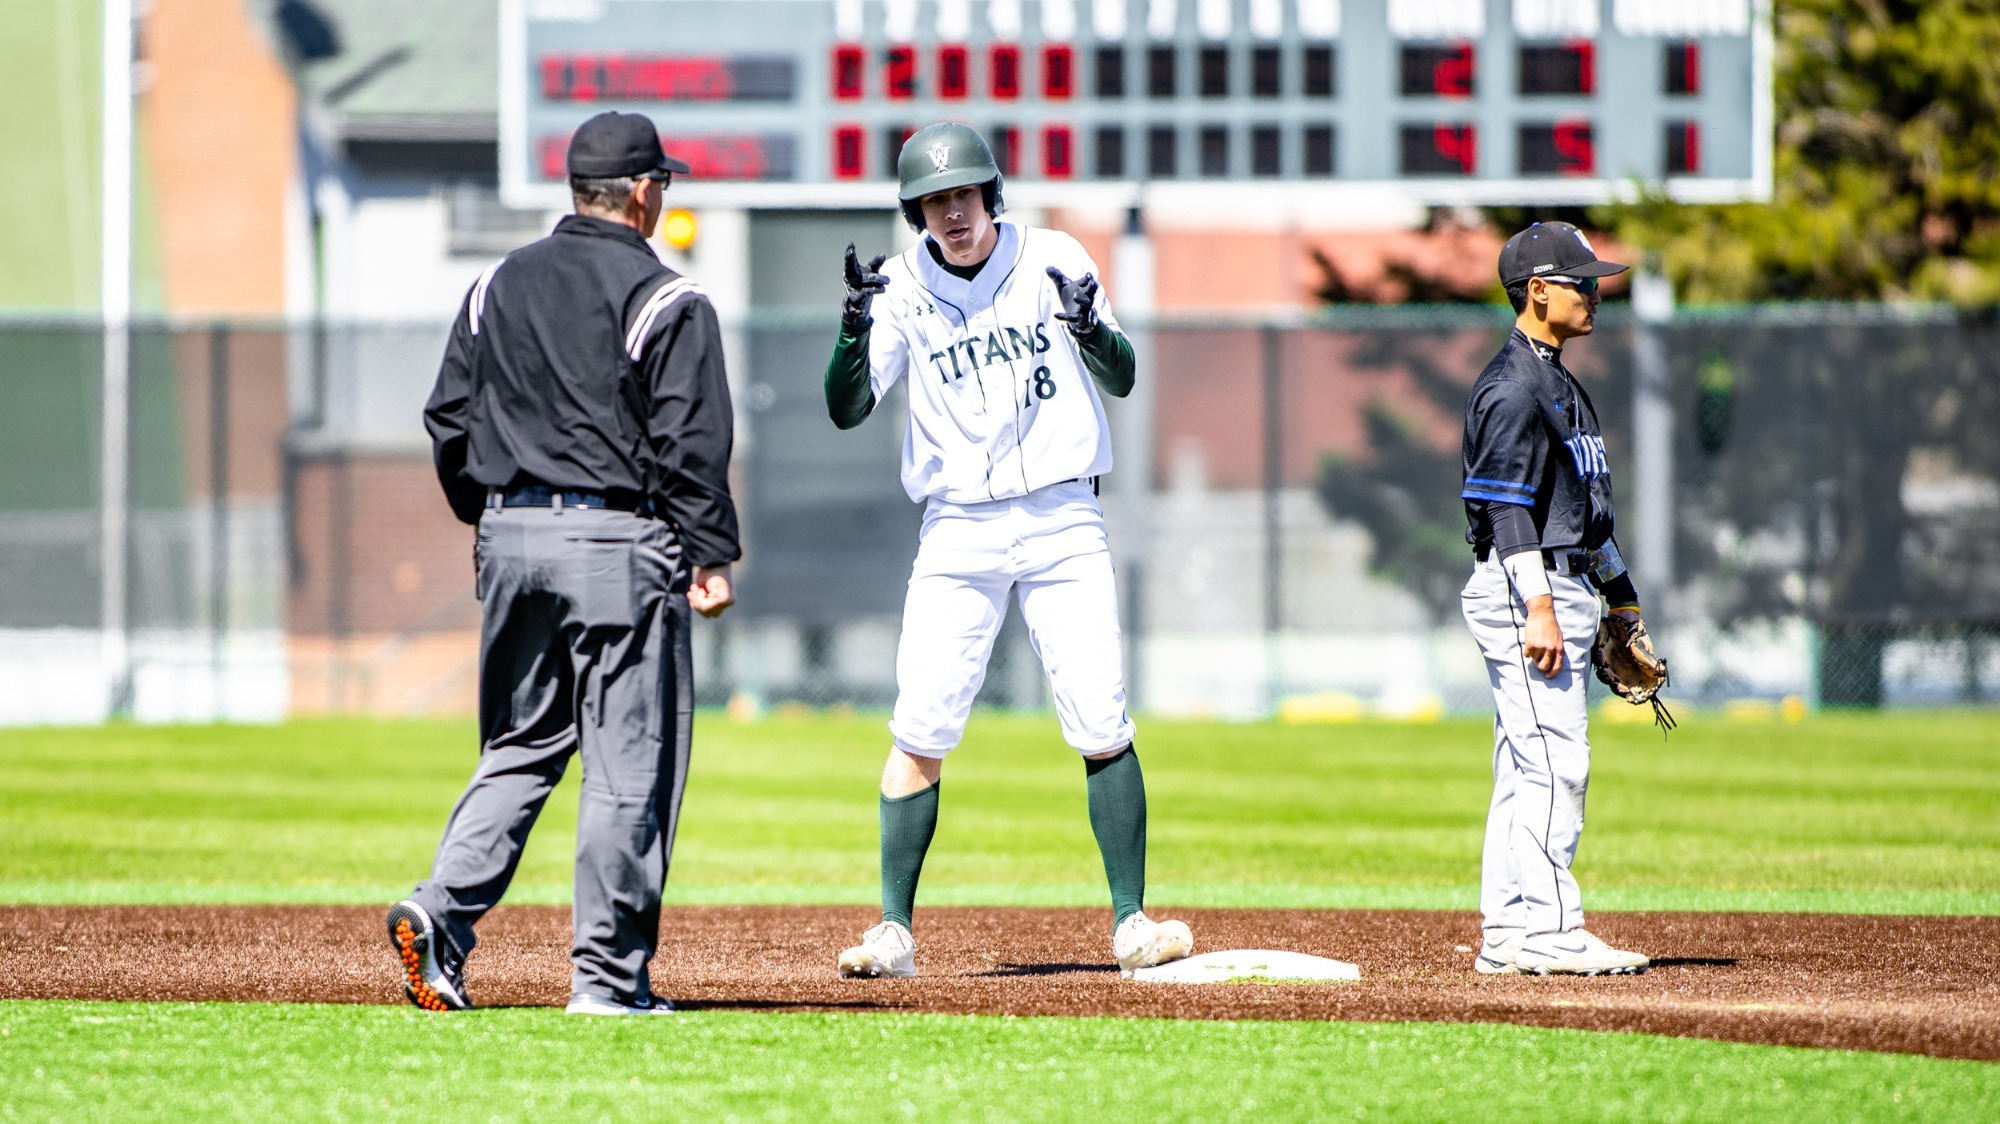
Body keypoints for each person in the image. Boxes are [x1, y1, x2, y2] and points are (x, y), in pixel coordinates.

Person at [388, 110, 740, 1015]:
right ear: (643, 192)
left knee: (520, 745)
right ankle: (609, 981)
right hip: (617, 546)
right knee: (628, 763)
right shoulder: (666, 298)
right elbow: (690, 442)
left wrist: (493, 516)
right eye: (663, 181)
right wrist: (709, 552)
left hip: (510, 541)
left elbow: (448, 420)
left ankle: (441, 910)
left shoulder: (494, 285)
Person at [822, 122, 1193, 978]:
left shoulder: (1054, 256)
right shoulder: (898, 285)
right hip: (957, 525)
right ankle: (893, 932)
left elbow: (1123, 375)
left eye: (963, 194)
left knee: (1100, 717)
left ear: (990, 194)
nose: (952, 213)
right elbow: (847, 409)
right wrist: (851, 331)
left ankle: (1131, 922)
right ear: (915, 212)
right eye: (933, 201)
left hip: (1063, 515)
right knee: (920, 723)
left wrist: (1092, 330)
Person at [1459, 222, 1651, 976]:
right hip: (1527, 588)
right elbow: (1506, 509)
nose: (1596, 293)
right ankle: (1552, 930)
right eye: (1583, 282)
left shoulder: (1556, 380)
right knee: (1556, 763)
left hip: (1557, 580)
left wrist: (1621, 597)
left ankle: (1509, 931)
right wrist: (1538, 604)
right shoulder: (1513, 387)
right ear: (1537, 291)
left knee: (1524, 764)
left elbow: (1581, 513)